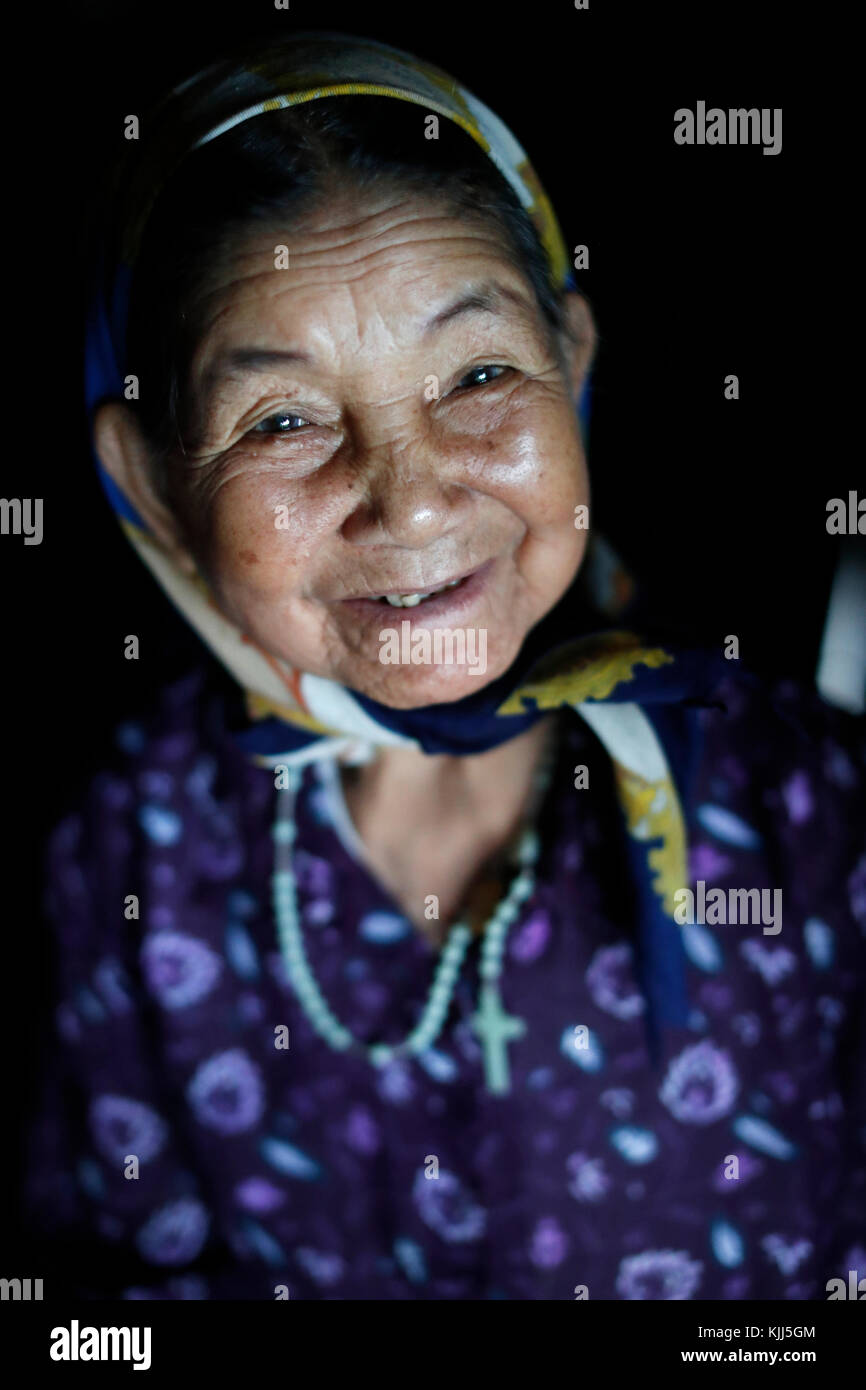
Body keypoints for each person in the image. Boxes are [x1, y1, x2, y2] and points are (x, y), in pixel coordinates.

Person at [24, 31, 865, 1300]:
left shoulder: (804, 811)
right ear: (149, 483)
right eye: (285, 421)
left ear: (569, 362)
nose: (411, 507)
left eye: (476, 373)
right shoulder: (136, 842)